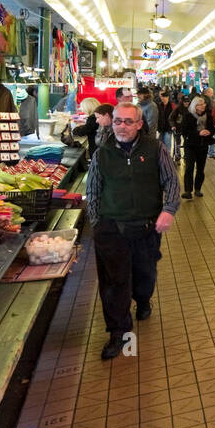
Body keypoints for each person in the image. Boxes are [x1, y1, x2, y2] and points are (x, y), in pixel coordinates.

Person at [84, 102, 181, 360]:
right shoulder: (102, 154)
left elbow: (171, 180)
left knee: (144, 273)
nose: (122, 126)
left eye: (128, 121)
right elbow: (92, 189)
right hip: (111, 228)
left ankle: (144, 298)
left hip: (146, 227)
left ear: (139, 124)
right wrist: (97, 223)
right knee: (115, 283)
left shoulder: (155, 149)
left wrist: (169, 209)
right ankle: (118, 332)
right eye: (117, 121)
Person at [180, 95, 215, 198]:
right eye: (200, 104)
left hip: (203, 145)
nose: (203, 105)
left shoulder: (208, 116)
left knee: (201, 168)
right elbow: (185, 131)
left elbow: (212, 129)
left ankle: (198, 189)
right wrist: (198, 133)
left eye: (203, 103)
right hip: (190, 145)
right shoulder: (188, 116)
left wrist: (209, 131)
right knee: (189, 168)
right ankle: (188, 191)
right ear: (195, 106)